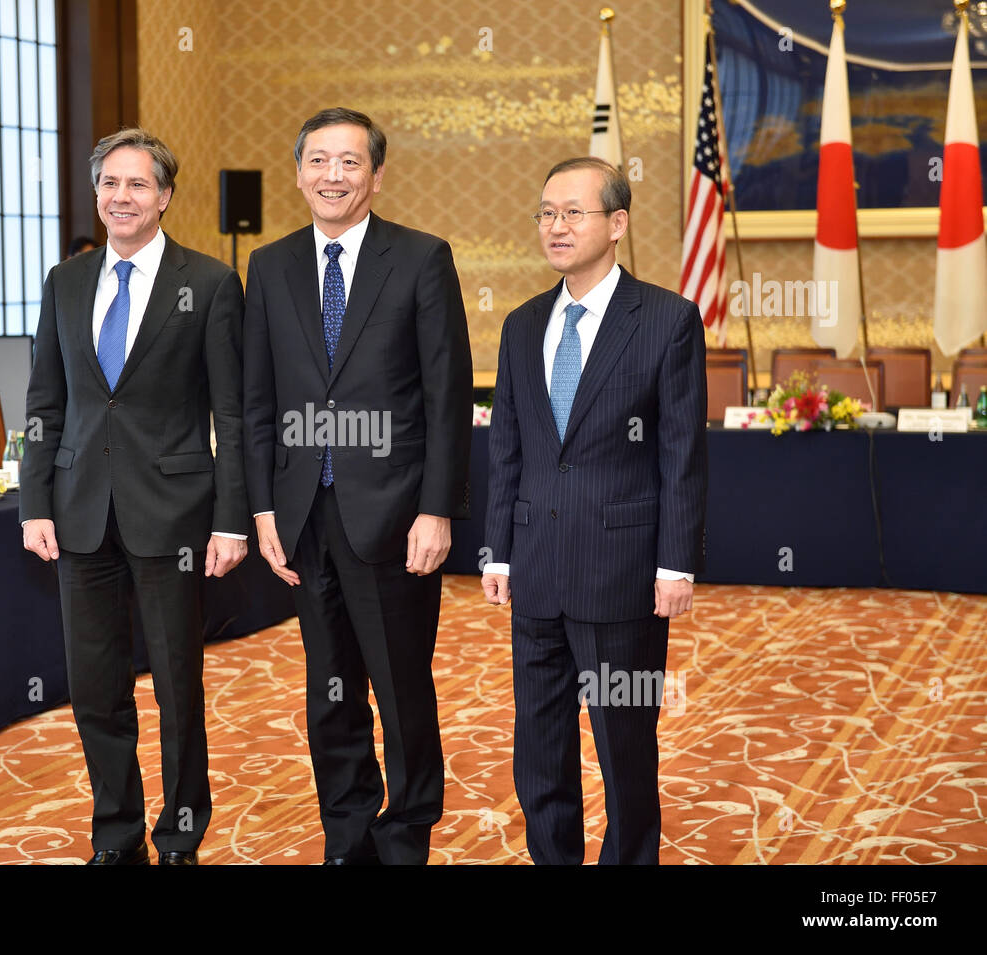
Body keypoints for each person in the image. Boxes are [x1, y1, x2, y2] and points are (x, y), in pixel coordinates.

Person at [243, 107, 472, 865]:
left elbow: (446, 397)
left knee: (401, 686)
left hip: (396, 514)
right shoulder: (270, 267)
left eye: (349, 163)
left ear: (376, 175)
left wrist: (438, 508)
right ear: (299, 171)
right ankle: (347, 835)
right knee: (330, 688)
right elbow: (257, 401)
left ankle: (405, 835)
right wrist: (263, 505)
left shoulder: (420, 258)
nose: (332, 176)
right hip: (305, 513)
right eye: (318, 161)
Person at [20, 128, 248, 866]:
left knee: (178, 691)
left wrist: (231, 520)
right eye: (110, 183)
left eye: (138, 184)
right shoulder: (67, 281)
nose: (122, 196)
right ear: (97, 193)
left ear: (165, 197)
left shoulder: (209, 284)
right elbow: (44, 405)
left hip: (175, 518)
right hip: (81, 515)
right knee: (96, 692)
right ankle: (116, 837)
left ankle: (180, 836)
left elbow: (234, 414)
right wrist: (34, 503)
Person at [481, 156, 706, 865]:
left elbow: (682, 454)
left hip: (623, 575)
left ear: (617, 223)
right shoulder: (521, 325)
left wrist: (676, 564)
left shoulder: (666, 320)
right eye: (547, 212)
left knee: (625, 748)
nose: (556, 225)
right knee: (539, 752)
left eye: (573, 212)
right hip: (536, 573)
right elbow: (507, 450)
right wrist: (500, 551)